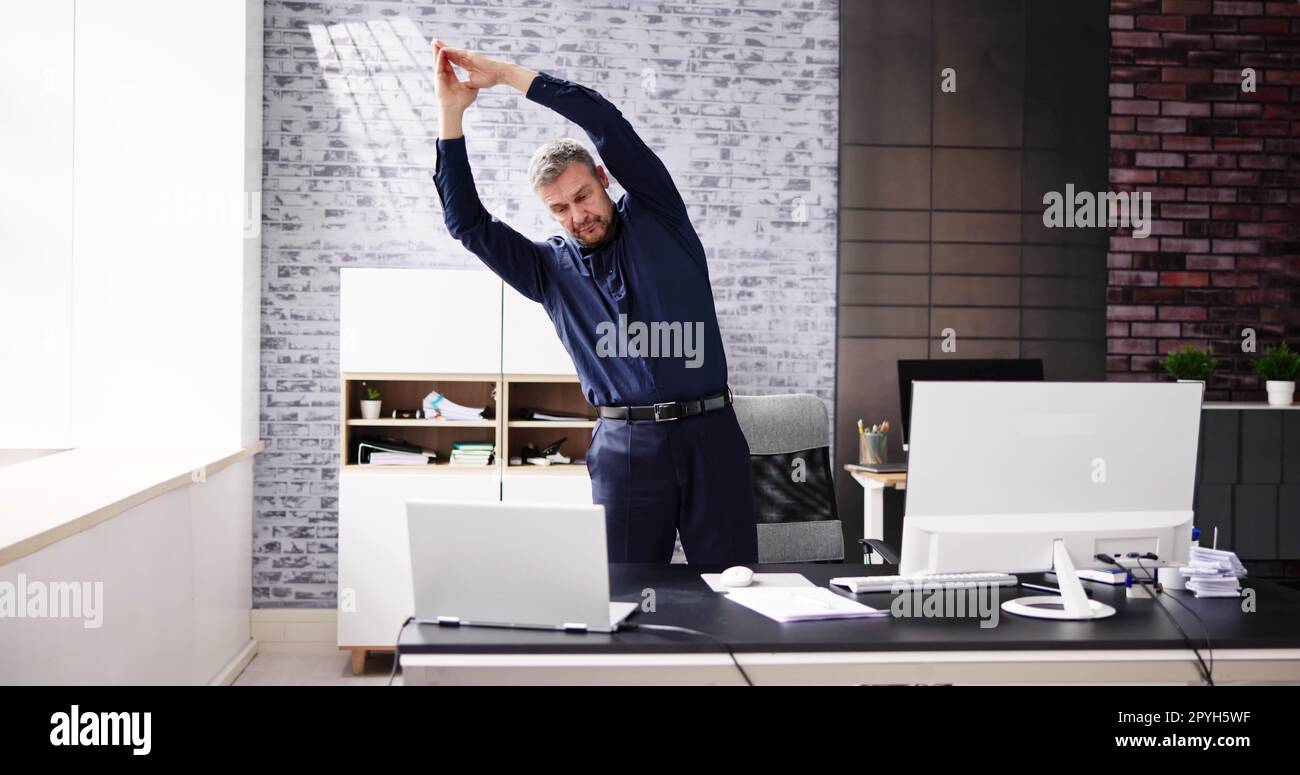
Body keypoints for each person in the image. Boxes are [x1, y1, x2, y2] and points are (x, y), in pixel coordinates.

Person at [430, 40, 757, 564]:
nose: (577, 215)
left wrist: (509, 76)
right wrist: (451, 114)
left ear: (603, 179)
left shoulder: (659, 215)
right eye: (559, 209)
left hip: (711, 438)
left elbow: (603, 120)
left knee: (735, 589)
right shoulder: (546, 270)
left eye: (582, 197)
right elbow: (467, 224)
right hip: (626, 450)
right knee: (624, 600)